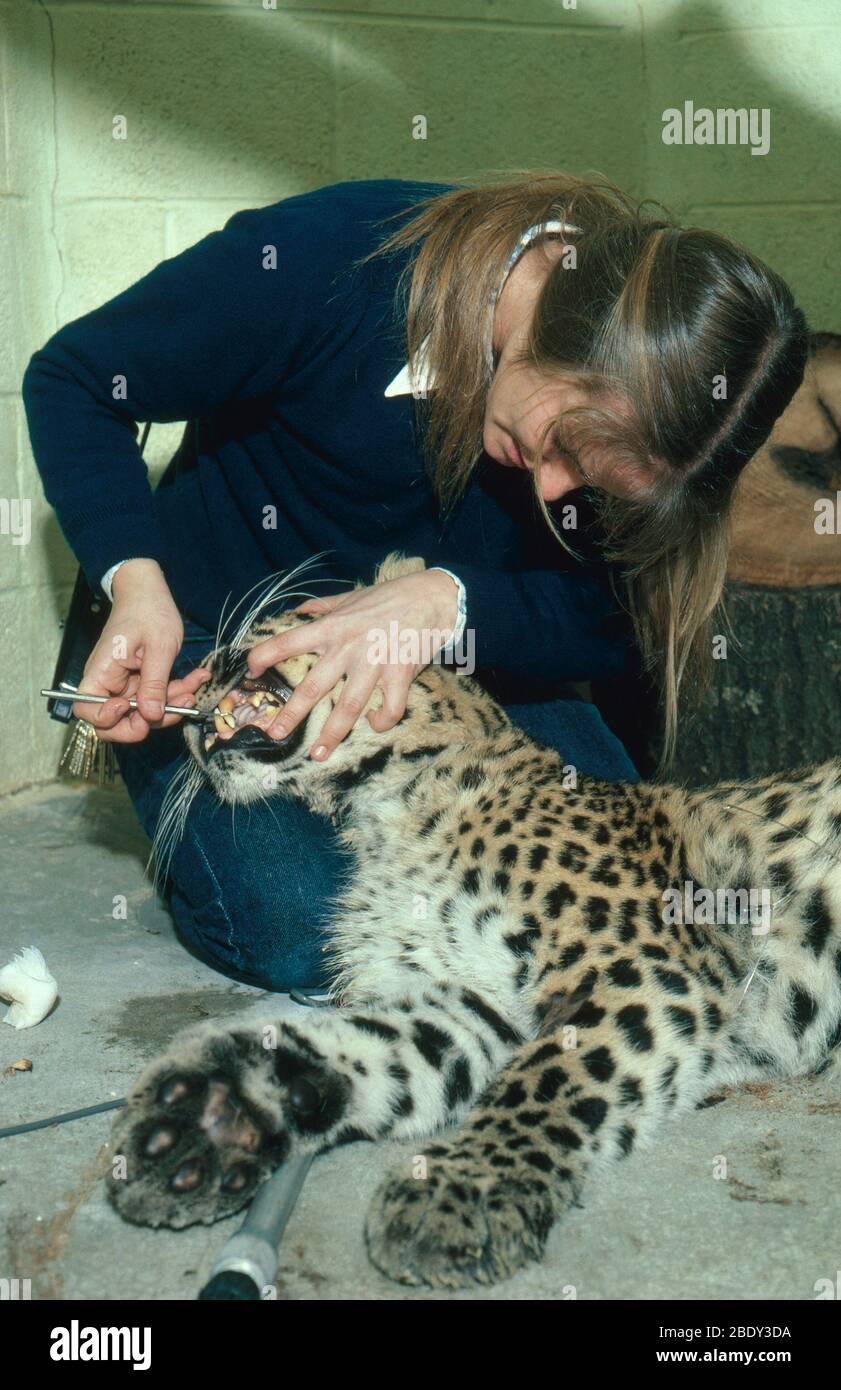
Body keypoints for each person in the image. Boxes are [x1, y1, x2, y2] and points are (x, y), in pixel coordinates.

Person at [22, 172, 809, 991]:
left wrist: (449, 600)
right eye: (564, 445)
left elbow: (610, 619)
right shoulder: (329, 255)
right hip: (231, 650)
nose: (551, 493)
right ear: (565, 328)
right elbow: (77, 379)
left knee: (621, 887)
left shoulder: (606, 443)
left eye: (593, 487)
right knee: (310, 924)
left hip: (474, 670)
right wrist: (136, 583)